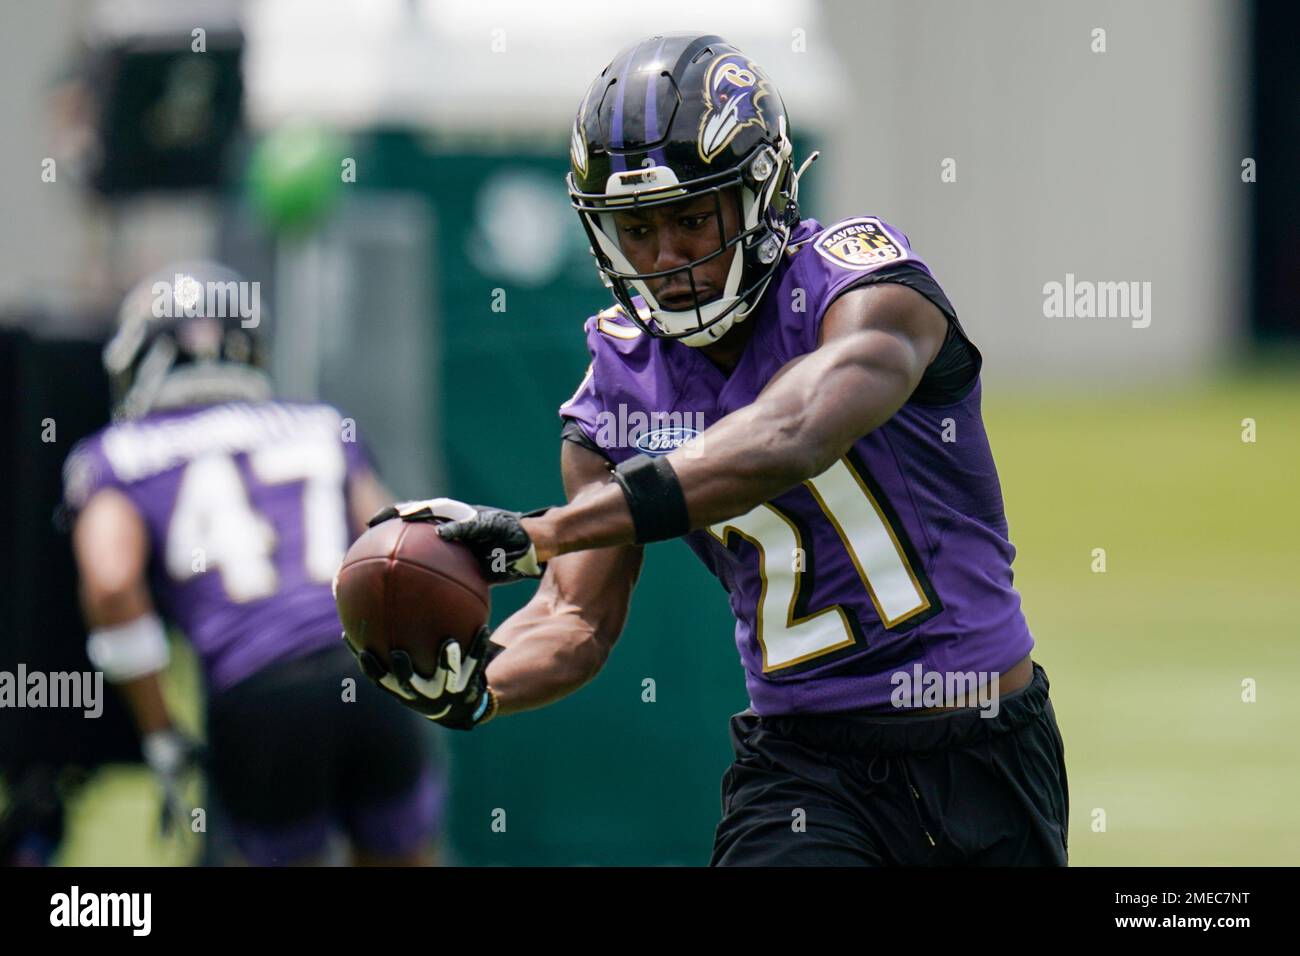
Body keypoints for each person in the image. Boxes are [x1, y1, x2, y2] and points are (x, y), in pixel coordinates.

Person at [351, 34, 1069, 866]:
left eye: (692, 219)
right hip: (803, 769)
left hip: (981, 742)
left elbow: (789, 435)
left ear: (762, 190)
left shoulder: (858, 285)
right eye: (638, 228)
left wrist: (544, 529)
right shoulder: (618, 384)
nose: (665, 258)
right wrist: (478, 687)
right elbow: (574, 618)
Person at [65, 262, 442, 865]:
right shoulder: (318, 424)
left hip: (258, 691)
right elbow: (398, 548)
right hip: (365, 670)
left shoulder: (117, 456)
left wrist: (161, 730)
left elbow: (111, 587)